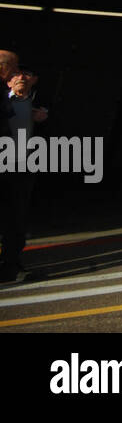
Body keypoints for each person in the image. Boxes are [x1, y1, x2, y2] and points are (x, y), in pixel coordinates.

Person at [0, 50, 44, 283]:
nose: (19, 74)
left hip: (19, 164)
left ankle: (10, 265)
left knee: (15, 216)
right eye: (15, 68)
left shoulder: (28, 95)